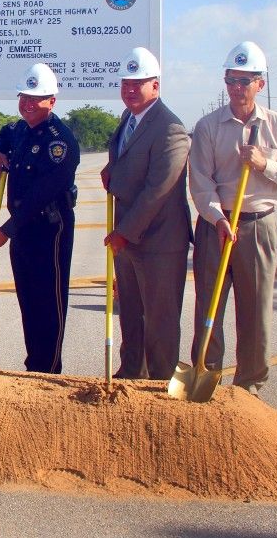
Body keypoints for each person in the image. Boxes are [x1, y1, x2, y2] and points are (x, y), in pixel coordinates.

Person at [188, 41, 277, 395]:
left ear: (260, 84)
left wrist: (264, 164)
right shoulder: (208, 126)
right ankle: (205, 378)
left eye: (245, 81)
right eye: (231, 80)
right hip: (216, 225)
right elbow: (200, 181)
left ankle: (250, 384)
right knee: (208, 307)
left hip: (257, 225)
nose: (237, 88)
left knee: (255, 311)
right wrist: (216, 218)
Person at [100, 48, 191, 379]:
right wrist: (111, 169)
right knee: (131, 312)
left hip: (159, 241)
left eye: (138, 84)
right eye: (126, 83)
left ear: (155, 85)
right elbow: (126, 159)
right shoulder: (129, 118)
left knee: (160, 320)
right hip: (128, 239)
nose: (130, 90)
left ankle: (161, 383)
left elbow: (158, 190)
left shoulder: (170, 128)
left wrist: (124, 233)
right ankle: (131, 374)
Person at [0, 63, 80, 374]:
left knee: (48, 303)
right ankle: (34, 365)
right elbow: (3, 135)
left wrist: (5, 232)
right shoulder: (20, 130)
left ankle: (49, 368)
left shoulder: (60, 142)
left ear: (51, 101)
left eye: (35, 99)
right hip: (23, 230)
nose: (27, 104)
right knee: (27, 299)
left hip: (49, 229)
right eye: (23, 97)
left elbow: (39, 197)